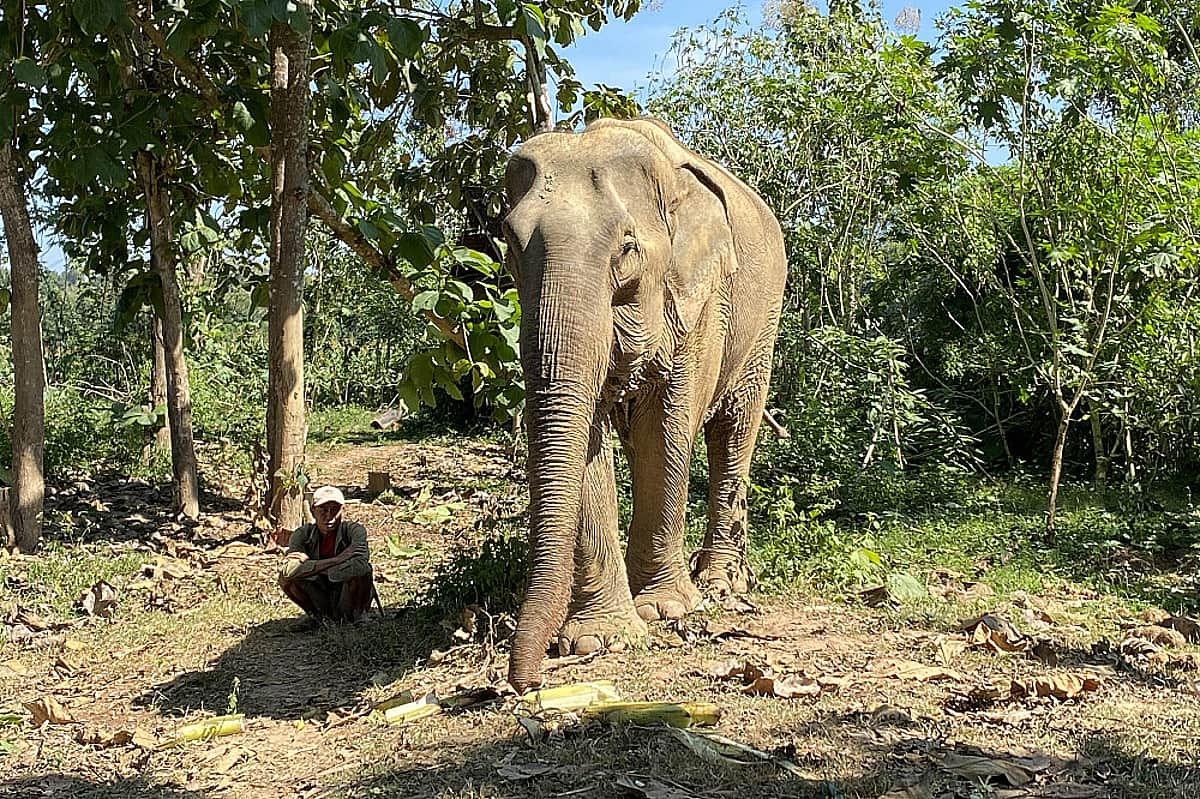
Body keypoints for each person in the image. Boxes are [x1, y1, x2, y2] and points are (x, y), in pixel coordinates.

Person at [277, 485, 373, 626]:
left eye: (334, 510)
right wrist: (339, 559)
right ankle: (317, 617)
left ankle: (358, 615)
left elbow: (360, 565)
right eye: (323, 510)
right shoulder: (302, 534)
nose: (329, 516)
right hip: (318, 591)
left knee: (363, 572)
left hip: (346, 592)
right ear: (312, 511)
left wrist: (310, 566)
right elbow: (287, 570)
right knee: (287, 580)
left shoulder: (354, 531)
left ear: (343, 510)